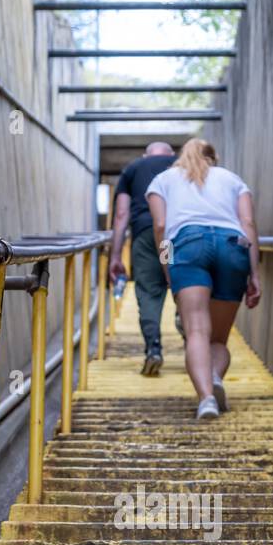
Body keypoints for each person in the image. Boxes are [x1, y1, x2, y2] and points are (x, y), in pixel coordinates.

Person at [146, 139, 261, 420]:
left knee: (197, 331)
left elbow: (161, 228)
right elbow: (248, 225)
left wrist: (167, 268)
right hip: (232, 246)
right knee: (218, 340)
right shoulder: (233, 179)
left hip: (188, 245)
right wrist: (254, 273)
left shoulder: (162, 180)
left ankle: (206, 398)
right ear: (214, 158)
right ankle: (215, 377)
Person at [109, 141, 176, 375]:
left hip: (146, 237)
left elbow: (121, 214)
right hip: (173, 238)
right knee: (184, 285)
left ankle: (154, 349)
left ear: (145, 154)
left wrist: (115, 256)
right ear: (171, 154)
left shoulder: (133, 168)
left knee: (148, 292)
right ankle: (193, 339)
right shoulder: (181, 165)